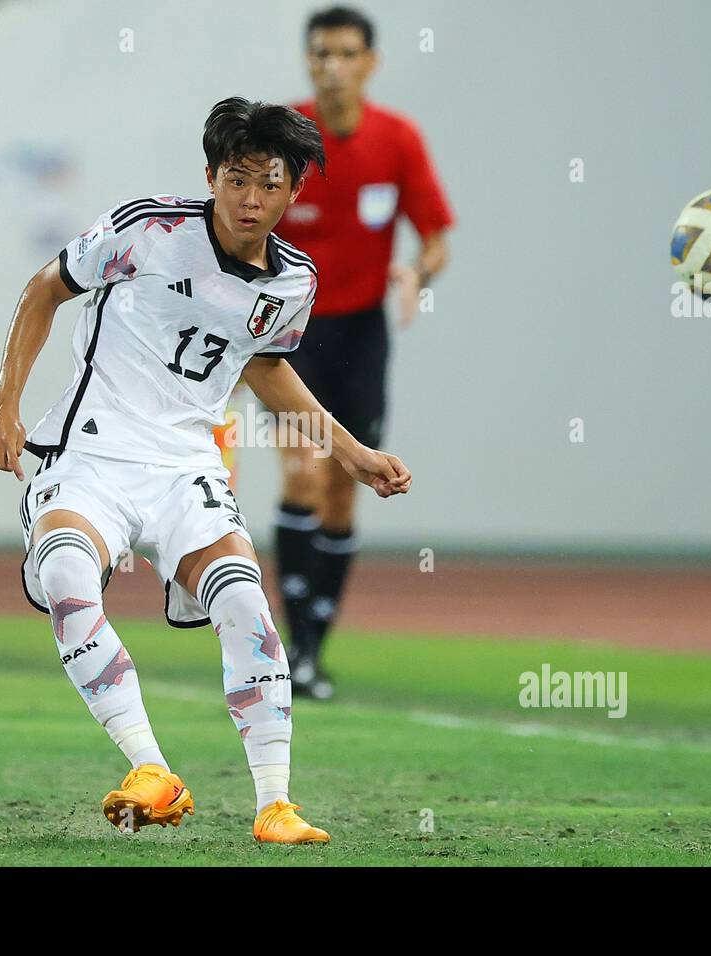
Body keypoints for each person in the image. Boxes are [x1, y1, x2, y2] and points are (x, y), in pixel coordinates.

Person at [0, 97, 412, 845]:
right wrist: (6, 403)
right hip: (90, 453)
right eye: (237, 179)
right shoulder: (146, 229)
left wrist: (353, 454)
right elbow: (44, 288)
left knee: (245, 602)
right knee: (66, 577)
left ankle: (275, 806)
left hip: (186, 467)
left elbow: (268, 372)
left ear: (293, 190)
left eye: (269, 183)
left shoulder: (294, 283)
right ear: (210, 176)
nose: (250, 199)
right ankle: (150, 769)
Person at [273, 6, 454, 700]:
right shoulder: (284, 136)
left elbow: (435, 233)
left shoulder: (397, 139)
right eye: (321, 53)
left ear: (370, 62)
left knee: (346, 495)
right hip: (291, 335)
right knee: (303, 480)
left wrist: (417, 270)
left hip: (361, 335)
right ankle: (290, 650)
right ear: (308, 61)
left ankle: (313, 649)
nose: (333, 65)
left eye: (347, 53)